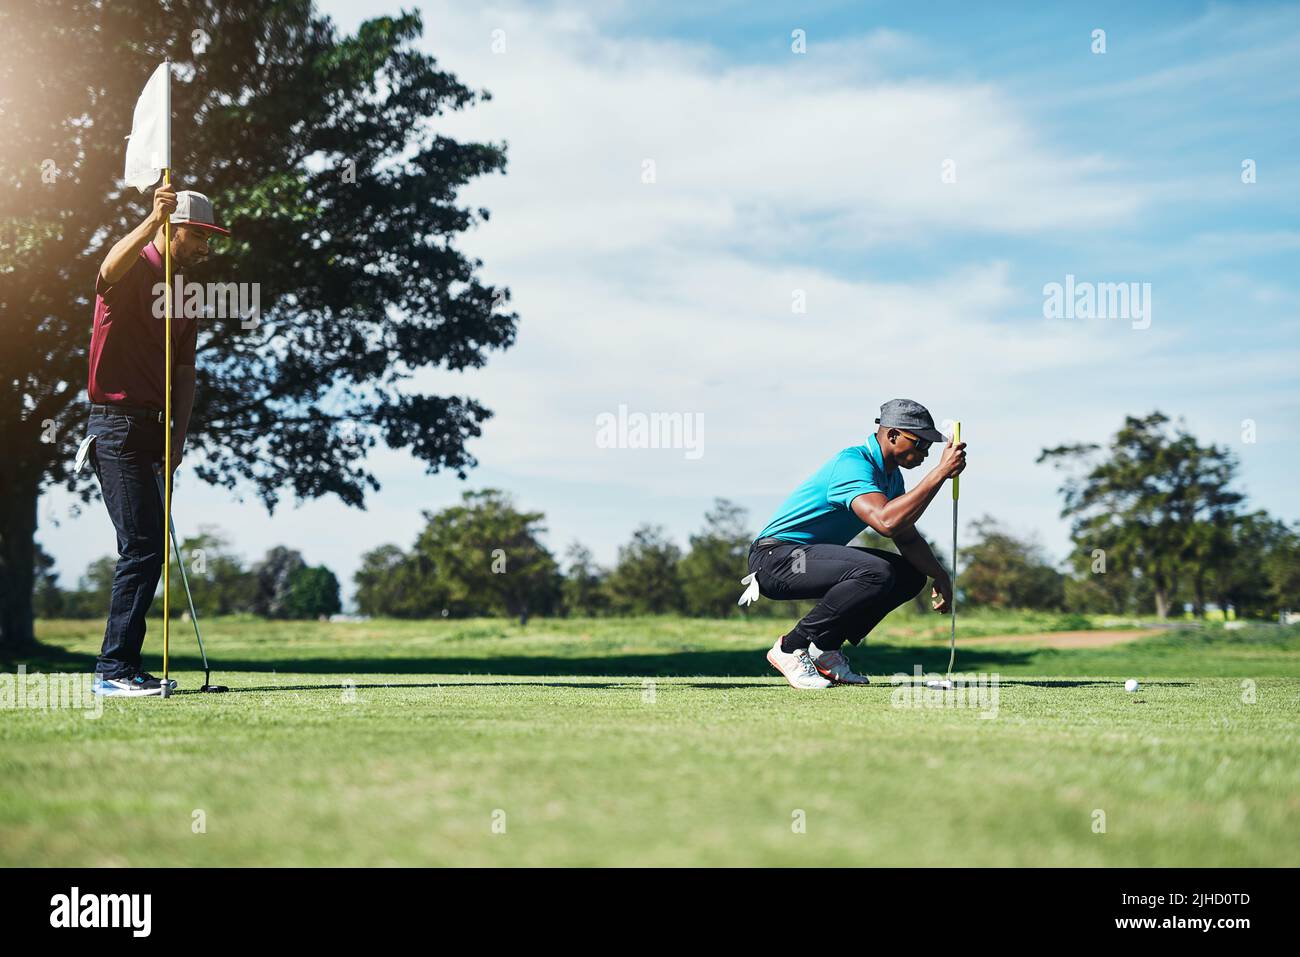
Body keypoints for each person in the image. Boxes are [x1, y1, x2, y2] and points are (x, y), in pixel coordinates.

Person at [83, 185, 228, 696]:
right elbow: (105, 269)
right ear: (171, 228)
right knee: (142, 545)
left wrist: (178, 439)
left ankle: (120, 667)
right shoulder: (129, 271)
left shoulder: (185, 293)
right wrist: (150, 219)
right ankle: (114, 671)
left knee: (148, 545)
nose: (205, 249)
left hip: (152, 426)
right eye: (198, 236)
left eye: (210, 239)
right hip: (115, 423)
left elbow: (185, 374)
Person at [748, 399, 967, 689]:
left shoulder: (890, 478)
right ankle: (790, 647)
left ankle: (825, 649)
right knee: (876, 572)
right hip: (776, 559)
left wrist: (939, 575)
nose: (925, 453)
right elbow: (886, 522)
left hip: (805, 559)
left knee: (911, 575)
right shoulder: (853, 464)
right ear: (892, 436)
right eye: (920, 443)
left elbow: (906, 536)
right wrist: (939, 473)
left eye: (929, 446)